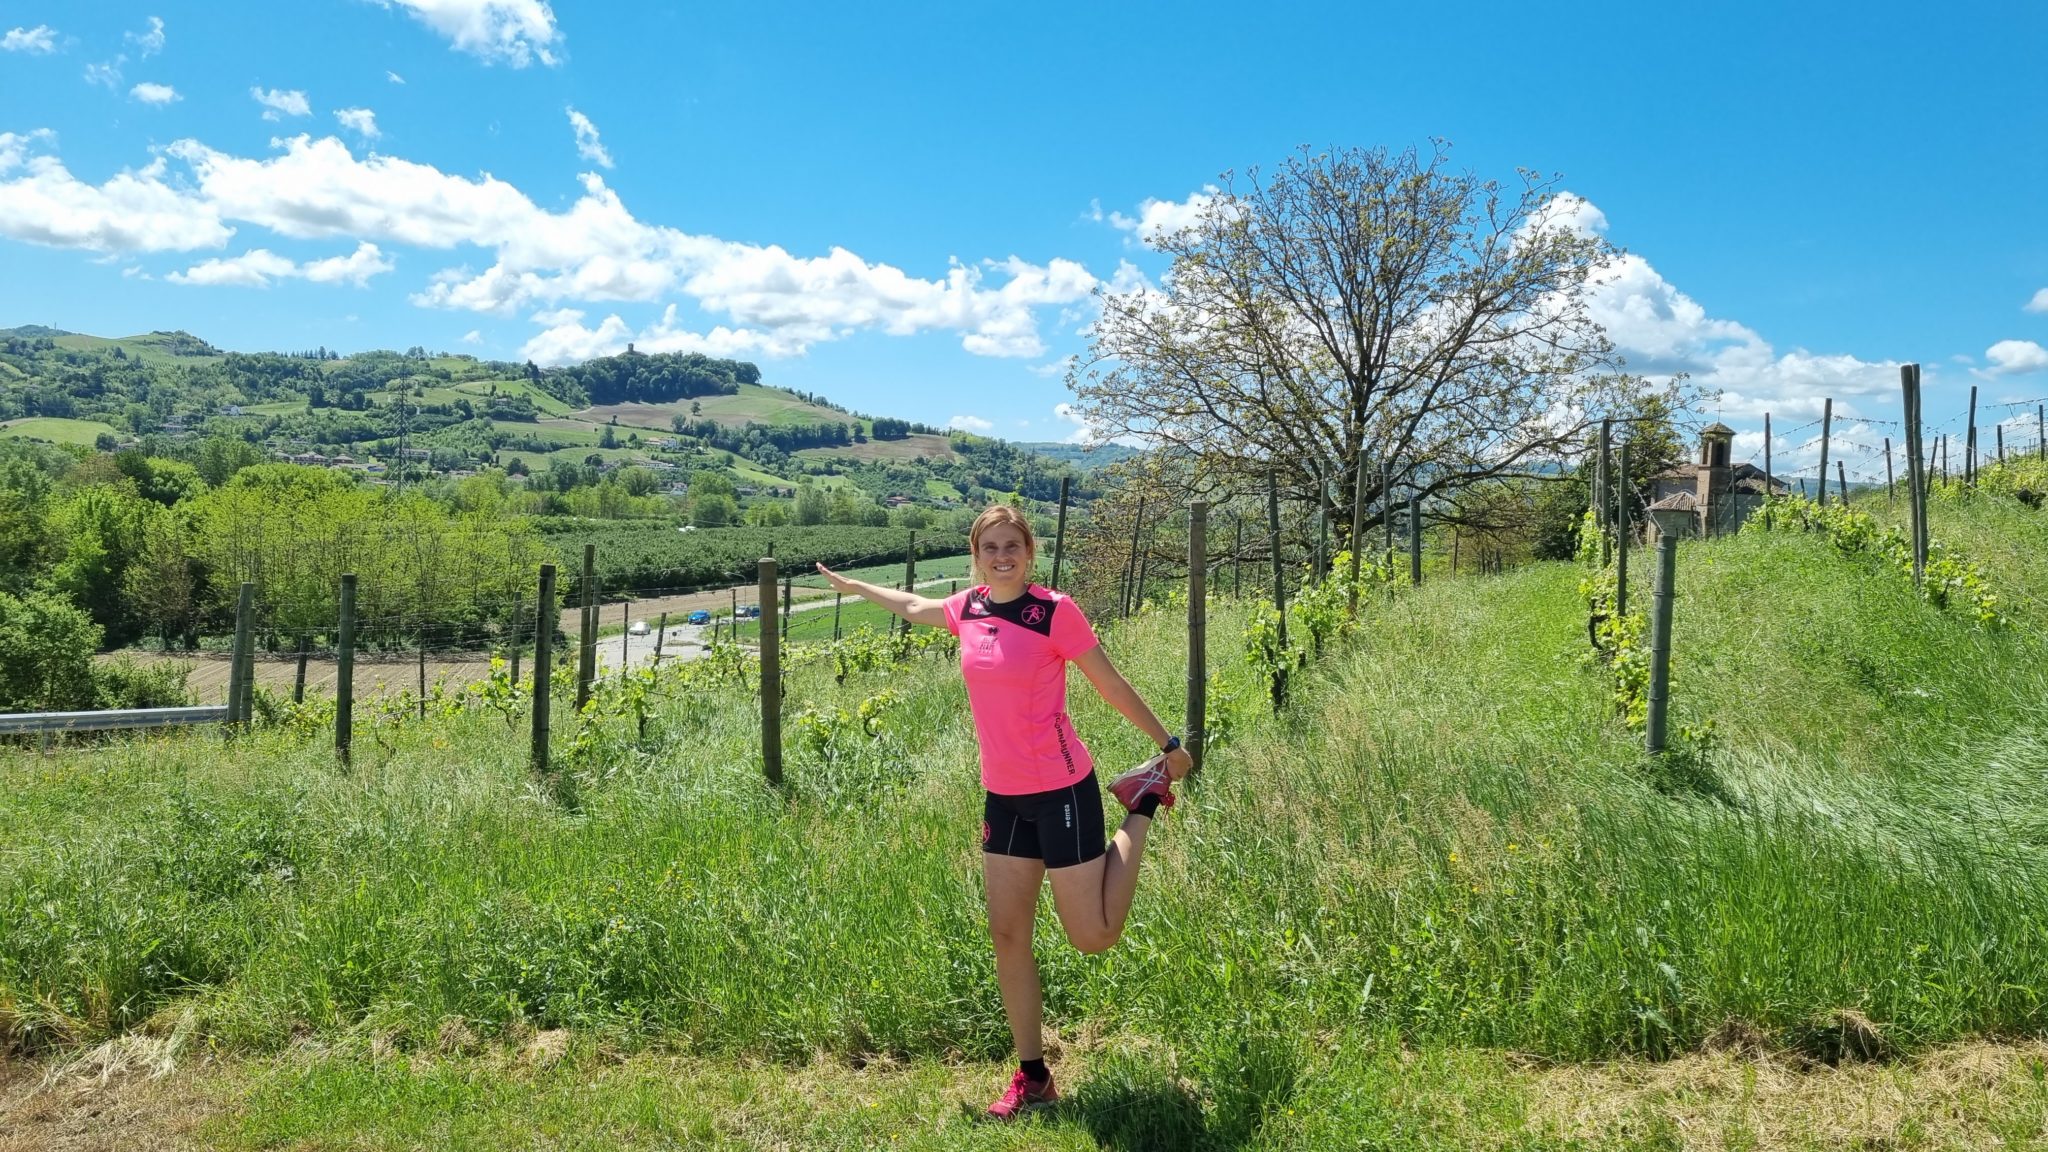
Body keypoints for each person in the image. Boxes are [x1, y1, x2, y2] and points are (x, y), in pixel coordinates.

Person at [814, 505, 1193, 1119]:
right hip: (1005, 796)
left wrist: (1167, 745)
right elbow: (913, 606)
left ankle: (1145, 797)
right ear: (976, 555)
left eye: (1011, 545)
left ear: (1029, 551)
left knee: (1093, 937)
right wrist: (856, 587)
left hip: (1063, 789)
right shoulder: (968, 608)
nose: (1001, 556)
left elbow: (1110, 683)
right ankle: (1034, 1077)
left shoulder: (1055, 612)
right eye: (989, 547)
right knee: (1009, 936)